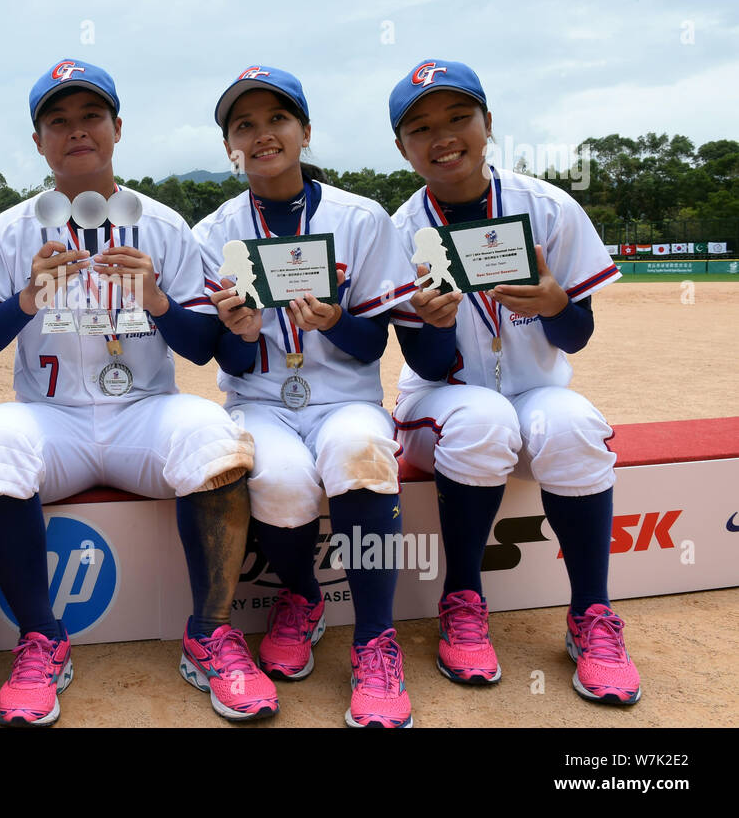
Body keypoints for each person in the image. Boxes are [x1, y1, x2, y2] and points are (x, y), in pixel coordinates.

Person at [0, 59, 269, 726]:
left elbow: (203, 346)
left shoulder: (161, 225)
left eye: (91, 116)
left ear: (117, 128)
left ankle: (210, 632)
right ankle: (41, 636)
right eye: (57, 121)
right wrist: (25, 298)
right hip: (52, 416)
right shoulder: (13, 229)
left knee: (215, 435)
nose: (76, 132)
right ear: (38, 141)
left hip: (143, 413)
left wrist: (157, 299)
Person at [385, 59, 638, 705]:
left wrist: (557, 302)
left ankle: (592, 614)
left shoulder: (547, 206)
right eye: (421, 127)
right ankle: (462, 599)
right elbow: (426, 361)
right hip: (443, 402)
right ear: (401, 146)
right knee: (482, 418)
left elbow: (575, 336)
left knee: (575, 418)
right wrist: (435, 324)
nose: (443, 136)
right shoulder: (401, 229)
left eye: (458, 117)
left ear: (488, 123)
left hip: (534, 392)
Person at [195, 66, 419, 728]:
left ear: (305, 130)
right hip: (259, 396)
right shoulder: (216, 230)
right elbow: (227, 357)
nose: (261, 135)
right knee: (283, 482)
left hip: (344, 393)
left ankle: (376, 637)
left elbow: (373, 343)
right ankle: (303, 595)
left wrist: (334, 321)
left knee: (360, 449)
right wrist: (237, 332)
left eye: (276, 119)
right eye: (243, 125)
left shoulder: (361, 216)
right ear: (230, 147)